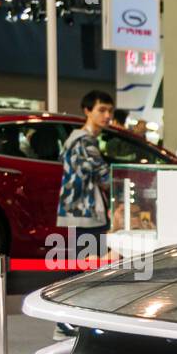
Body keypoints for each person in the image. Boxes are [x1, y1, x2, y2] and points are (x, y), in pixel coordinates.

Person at [57, 89, 115, 257]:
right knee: (92, 273)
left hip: (78, 212)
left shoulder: (76, 140)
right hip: (87, 214)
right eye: (102, 110)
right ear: (87, 111)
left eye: (110, 111)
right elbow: (105, 178)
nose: (107, 115)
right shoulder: (84, 142)